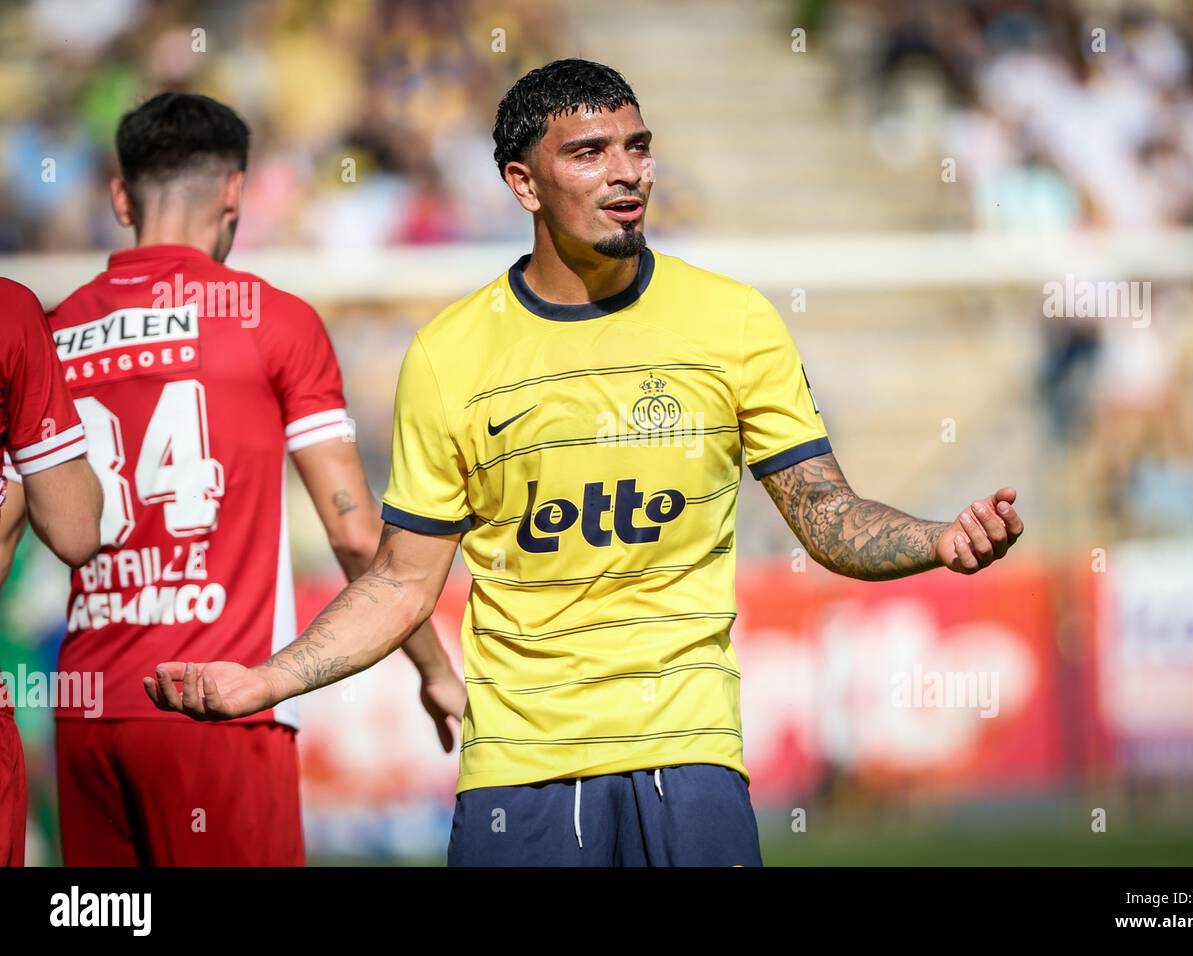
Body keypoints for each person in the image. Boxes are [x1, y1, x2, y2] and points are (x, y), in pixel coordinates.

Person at [147, 60, 1023, 867]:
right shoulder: (451, 355)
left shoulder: (734, 323)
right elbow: (401, 584)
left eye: (637, 148)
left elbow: (827, 515)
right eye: (590, 153)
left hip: (689, 756)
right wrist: (268, 679)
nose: (626, 173)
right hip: (519, 771)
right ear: (523, 183)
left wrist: (937, 540)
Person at [45, 92, 463, 865]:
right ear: (235, 191)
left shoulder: (52, 332)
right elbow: (353, 534)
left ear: (121, 197)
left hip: (84, 712)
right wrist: (434, 669)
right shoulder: (272, 320)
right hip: (218, 703)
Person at [0, 278, 103, 866]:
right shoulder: (14, 318)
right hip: (17, 638)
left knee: (43, 751)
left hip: (24, 636)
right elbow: (75, 532)